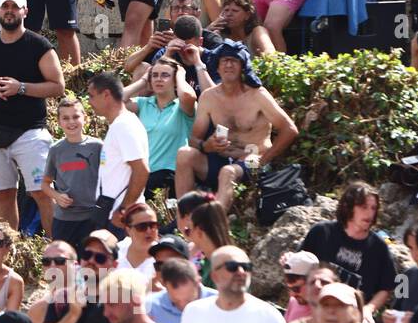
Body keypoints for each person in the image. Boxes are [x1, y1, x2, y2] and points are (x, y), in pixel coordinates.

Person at [0, 0, 62, 232]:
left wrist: (20, 88)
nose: (9, 10)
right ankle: (8, 255)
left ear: (25, 11)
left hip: (31, 130)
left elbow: (58, 86)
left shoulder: (38, 45)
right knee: (4, 194)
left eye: (15, 6)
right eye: (5, 6)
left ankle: (58, 252)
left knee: (43, 192)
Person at [176, 41, 298, 209]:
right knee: (184, 154)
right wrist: (207, 146)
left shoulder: (257, 95)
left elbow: (290, 130)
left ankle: (214, 225)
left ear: (242, 66)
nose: (228, 64)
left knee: (228, 172)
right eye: (224, 60)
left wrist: (264, 160)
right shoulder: (208, 97)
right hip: (220, 159)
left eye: (234, 60)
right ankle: (184, 219)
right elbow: (194, 140)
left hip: (254, 161)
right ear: (217, 68)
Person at [300, 181, 395, 316]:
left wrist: (368, 310)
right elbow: (302, 265)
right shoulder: (321, 232)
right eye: (364, 207)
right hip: (313, 310)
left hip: (351, 318)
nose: (370, 213)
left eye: (373, 208)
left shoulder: (379, 247)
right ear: (348, 207)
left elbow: (386, 288)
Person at [87, 72, 150, 236]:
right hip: (111, 213)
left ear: (106, 94)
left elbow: (141, 170)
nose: (89, 102)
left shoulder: (124, 125)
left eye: (92, 96)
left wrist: (124, 209)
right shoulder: (119, 124)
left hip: (121, 218)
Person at [124, 56, 196, 198]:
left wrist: (180, 76)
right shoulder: (143, 104)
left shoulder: (182, 106)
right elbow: (115, 101)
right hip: (142, 174)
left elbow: (188, 96)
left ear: (175, 81)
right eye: (155, 75)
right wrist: (144, 80)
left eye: (165, 75)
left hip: (169, 174)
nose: (158, 79)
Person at [42, 97, 104, 246]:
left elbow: (109, 178)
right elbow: (45, 184)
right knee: (63, 263)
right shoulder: (56, 150)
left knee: (93, 264)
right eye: (65, 118)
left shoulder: (97, 146)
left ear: (85, 118)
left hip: (93, 217)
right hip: (64, 219)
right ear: (58, 122)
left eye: (76, 116)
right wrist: (57, 196)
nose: (71, 122)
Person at [147, 256, 216, 323]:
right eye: (175, 301)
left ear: (198, 282)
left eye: (189, 301)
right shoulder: (150, 307)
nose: (183, 306)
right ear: (164, 284)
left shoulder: (220, 302)